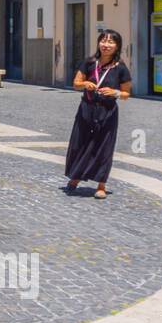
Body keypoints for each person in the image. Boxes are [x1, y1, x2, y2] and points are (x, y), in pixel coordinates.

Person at [65, 29, 132, 200]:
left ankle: (101, 185)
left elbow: (126, 94)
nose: (106, 45)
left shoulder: (121, 68)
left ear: (117, 46)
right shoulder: (89, 63)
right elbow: (76, 84)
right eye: (103, 40)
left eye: (111, 42)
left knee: (104, 147)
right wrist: (86, 83)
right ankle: (76, 177)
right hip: (86, 109)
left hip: (107, 111)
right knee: (80, 143)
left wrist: (114, 92)